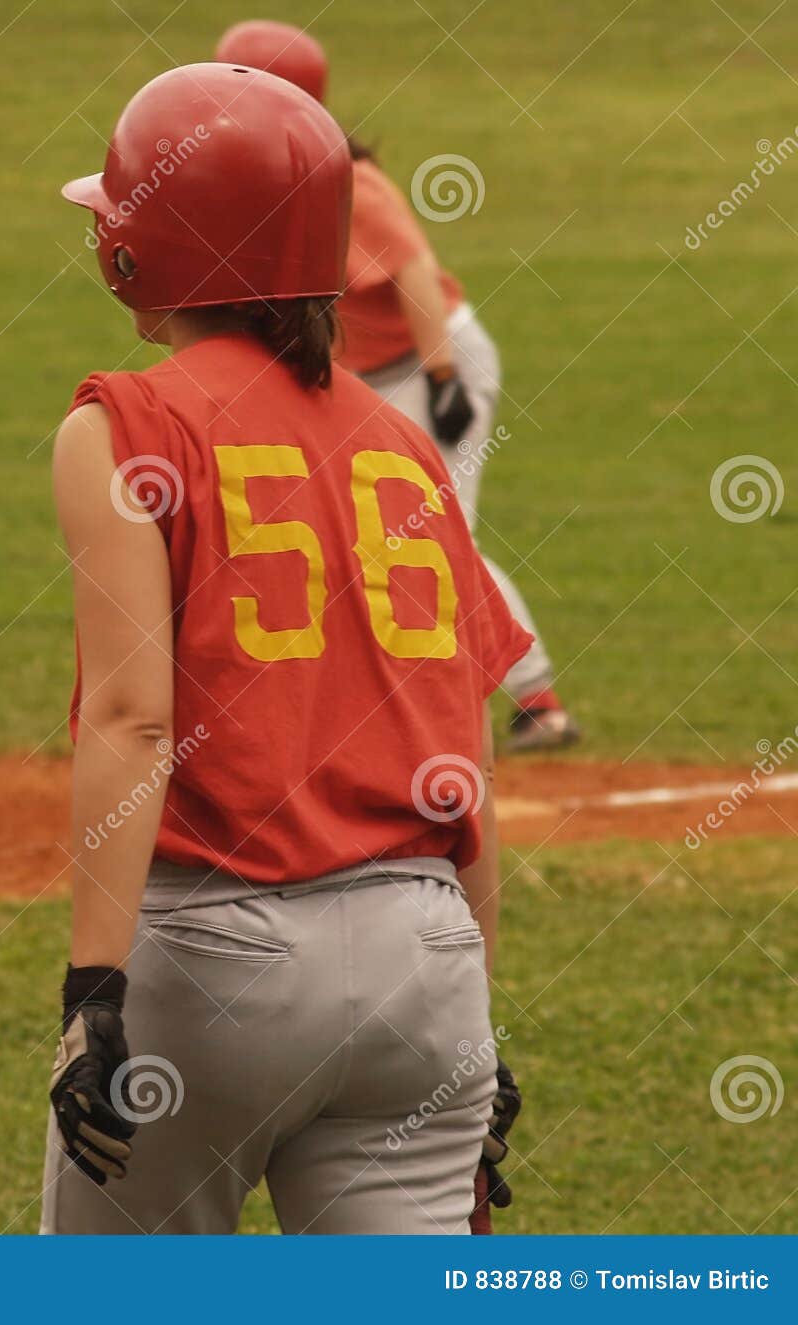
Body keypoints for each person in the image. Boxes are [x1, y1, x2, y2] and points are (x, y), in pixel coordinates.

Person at [42, 62, 524, 1235]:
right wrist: (479, 1019)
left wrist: (94, 989)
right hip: (425, 960)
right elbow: (464, 756)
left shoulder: (123, 420)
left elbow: (133, 721)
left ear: (139, 251)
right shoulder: (402, 447)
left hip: (218, 952)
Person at [214, 21, 579, 752]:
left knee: (441, 536)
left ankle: (538, 698)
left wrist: (445, 381)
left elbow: (413, 271)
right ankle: (390, 703)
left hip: (432, 358)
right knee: (368, 538)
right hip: (372, 373)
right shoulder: (276, 172)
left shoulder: (343, 178)